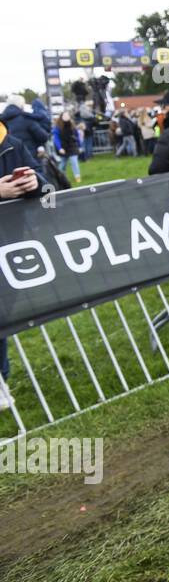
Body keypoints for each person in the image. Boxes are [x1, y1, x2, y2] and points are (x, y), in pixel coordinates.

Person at [0, 117, 42, 411]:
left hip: (8, 247)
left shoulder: (12, 144)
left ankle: (1, 381)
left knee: (2, 314)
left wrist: (36, 182)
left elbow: (47, 184)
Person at [0, 93, 51, 160]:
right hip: (30, 157)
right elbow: (43, 137)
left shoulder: (2, 120)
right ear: (21, 105)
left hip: (9, 159)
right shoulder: (27, 119)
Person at [52, 112, 82, 184]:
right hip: (63, 147)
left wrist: (80, 146)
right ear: (61, 117)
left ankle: (77, 177)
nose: (66, 116)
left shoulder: (72, 125)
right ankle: (60, 177)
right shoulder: (57, 127)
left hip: (72, 146)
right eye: (64, 115)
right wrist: (59, 148)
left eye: (67, 115)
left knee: (74, 161)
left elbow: (77, 136)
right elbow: (56, 139)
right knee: (63, 164)